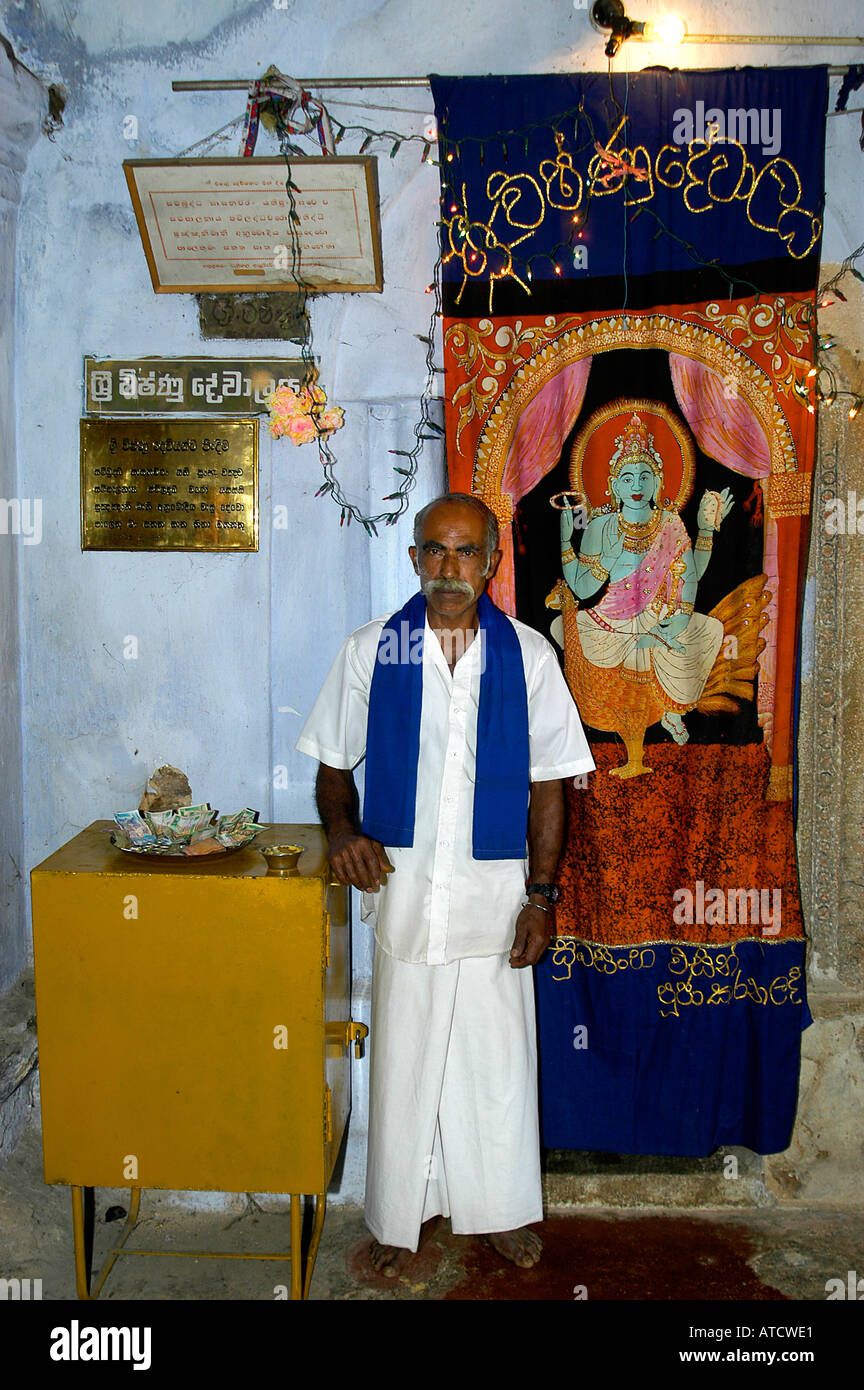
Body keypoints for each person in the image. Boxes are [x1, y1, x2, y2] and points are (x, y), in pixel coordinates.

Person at [296, 492, 594, 1276]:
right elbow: (333, 767)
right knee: (403, 1059)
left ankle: (494, 1211)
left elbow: (552, 785)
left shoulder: (528, 657)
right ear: (414, 560)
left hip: (497, 901)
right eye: (436, 551)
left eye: (467, 553)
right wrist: (343, 833)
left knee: (494, 1062)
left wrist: (542, 895)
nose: (451, 569)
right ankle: (400, 1219)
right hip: (406, 892)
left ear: (493, 562)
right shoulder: (373, 651)